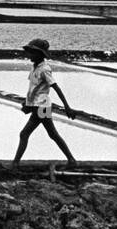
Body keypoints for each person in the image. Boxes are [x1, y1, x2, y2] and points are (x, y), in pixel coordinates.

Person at [12, 38, 77, 166]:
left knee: (25, 133)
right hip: (39, 107)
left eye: (31, 52)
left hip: (42, 107)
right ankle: (71, 160)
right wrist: (27, 103)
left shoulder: (44, 69)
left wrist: (67, 107)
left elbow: (56, 87)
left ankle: (15, 163)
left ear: (39, 54)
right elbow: (34, 89)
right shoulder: (34, 67)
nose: (29, 55)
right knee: (52, 134)